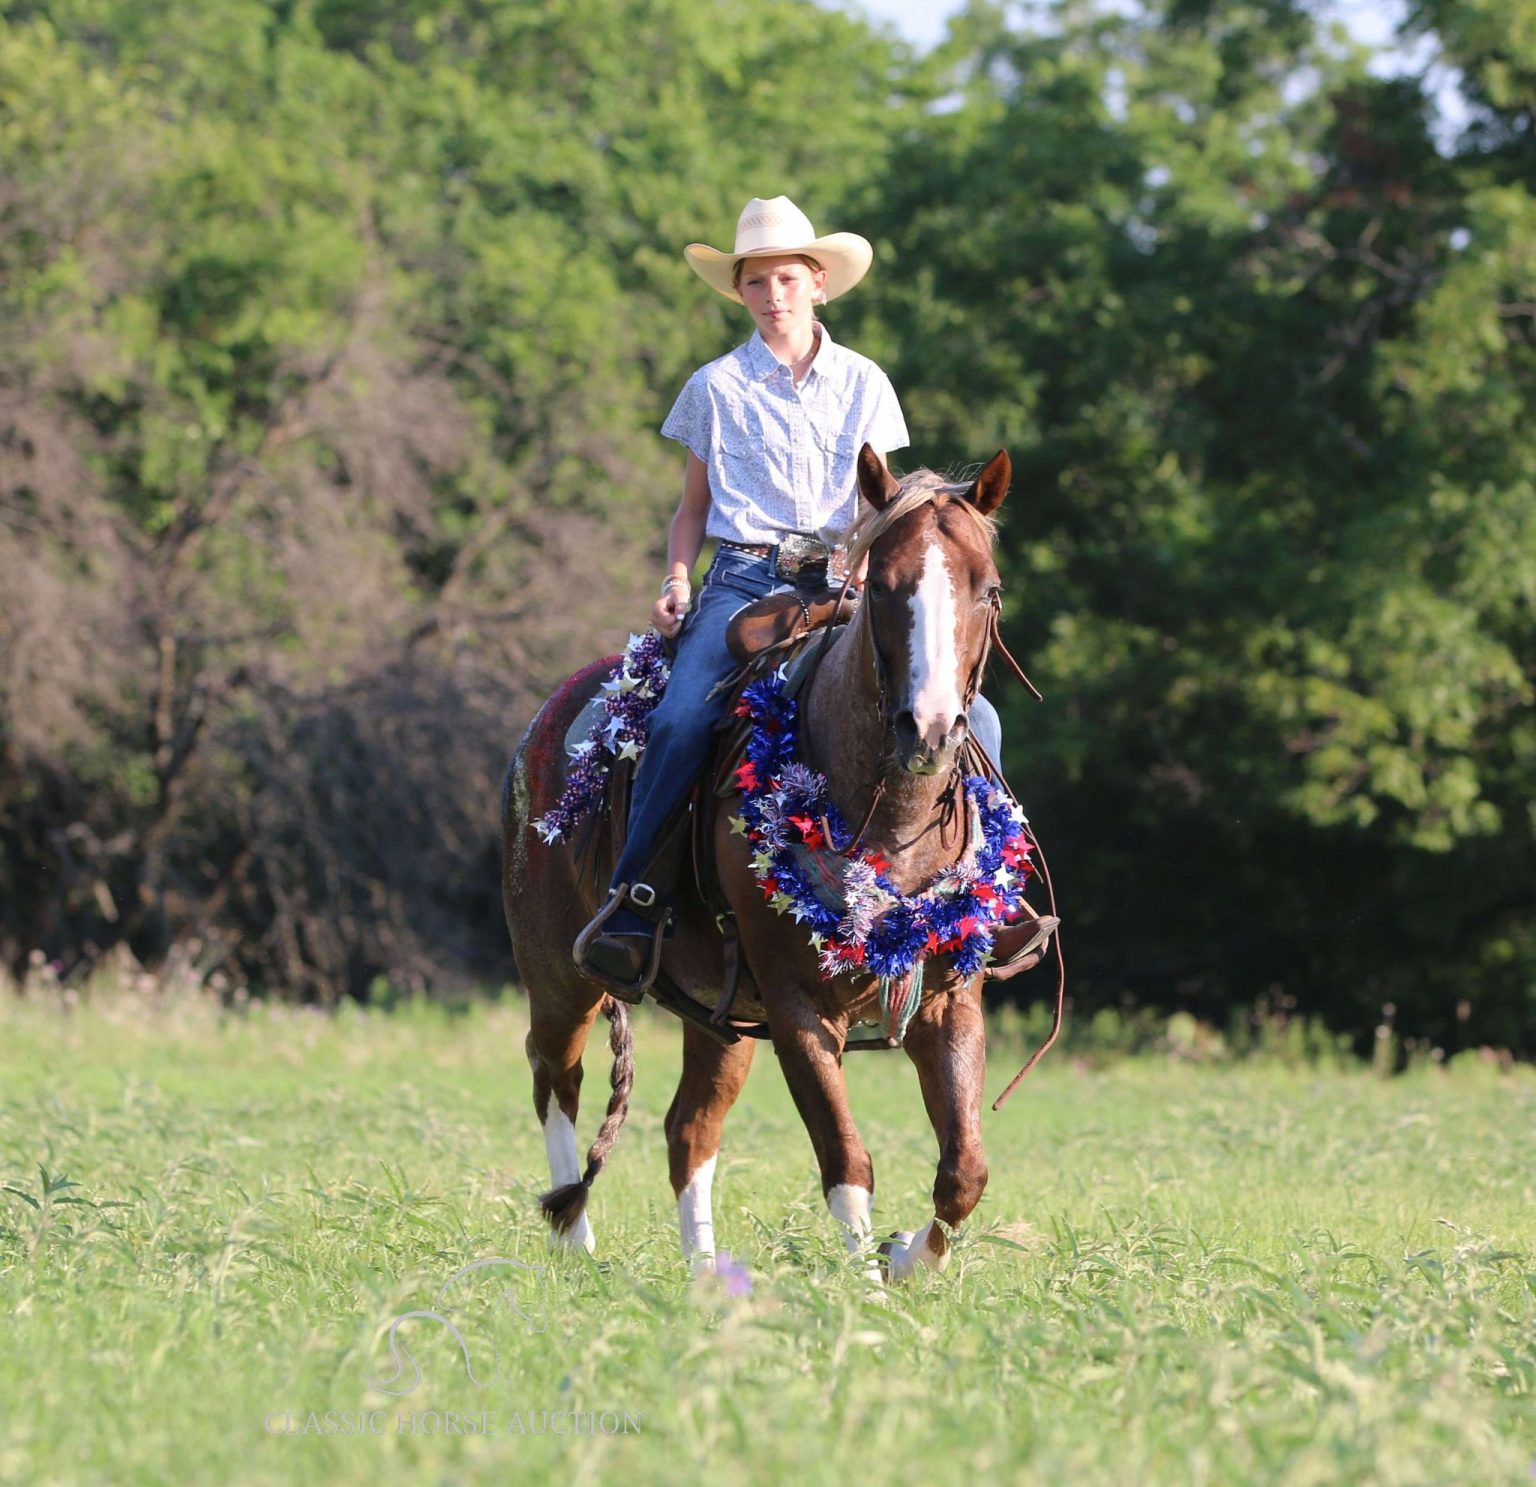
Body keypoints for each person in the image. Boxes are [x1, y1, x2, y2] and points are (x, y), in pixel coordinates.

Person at [574, 196, 1045, 997]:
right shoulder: (714, 387)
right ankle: (637, 896)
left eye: (787, 278)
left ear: (818, 283)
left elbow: (885, 497)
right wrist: (677, 580)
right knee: (685, 714)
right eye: (756, 282)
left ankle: (989, 890)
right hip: (744, 579)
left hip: (846, 580)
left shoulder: (864, 381)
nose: (773, 295)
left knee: (980, 715)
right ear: (742, 293)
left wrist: (865, 572)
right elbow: (692, 509)